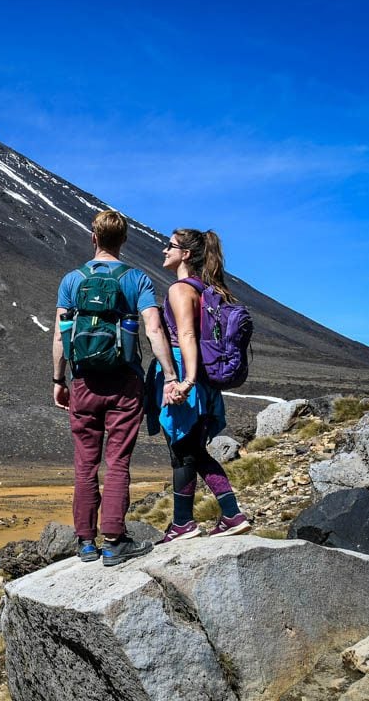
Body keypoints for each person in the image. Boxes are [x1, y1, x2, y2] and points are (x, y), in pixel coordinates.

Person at [53, 210, 179, 566]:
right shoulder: (136, 279)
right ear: (123, 240)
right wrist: (170, 376)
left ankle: (85, 542)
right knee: (118, 461)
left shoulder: (72, 281)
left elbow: (60, 335)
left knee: (85, 464)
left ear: (94, 237)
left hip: (84, 383)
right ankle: (113, 541)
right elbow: (153, 329)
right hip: (125, 383)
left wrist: (58, 380)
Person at [148, 228, 251, 542]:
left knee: (183, 450)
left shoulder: (180, 290)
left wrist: (186, 381)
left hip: (185, 371)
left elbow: (187, 335)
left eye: (170, 245)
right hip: (205, 377)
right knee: (191, 449)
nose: (164, 250)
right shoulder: (207, 289)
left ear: (186, 254)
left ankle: (193, 521)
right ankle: (220, 516)